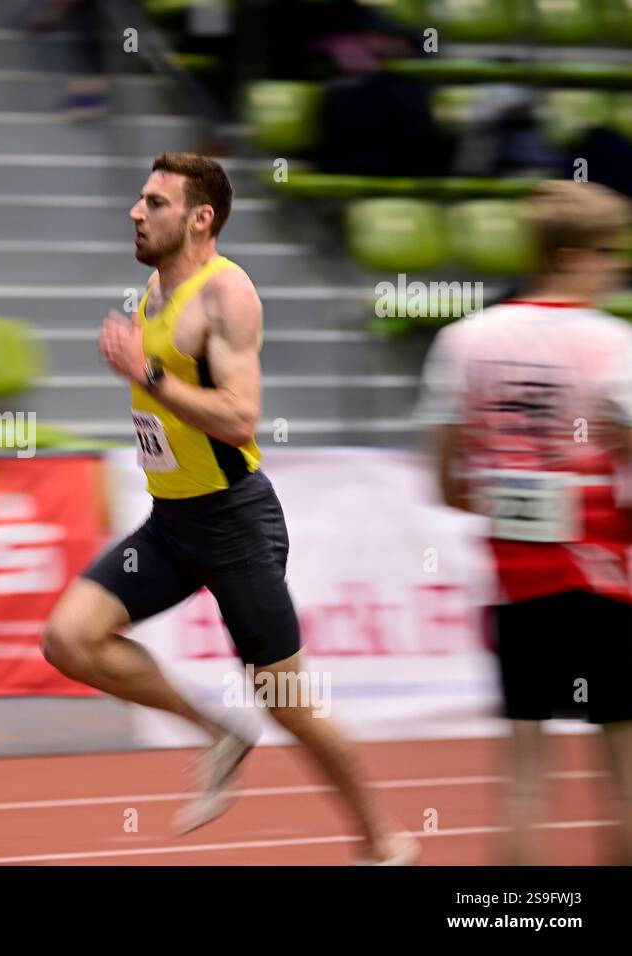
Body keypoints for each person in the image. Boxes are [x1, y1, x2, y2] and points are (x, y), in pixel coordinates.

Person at [42, 152, 414, 864]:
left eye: (154, 202)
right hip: (171, 521)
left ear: (200, 218)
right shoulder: (155, 286)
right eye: (140, 199)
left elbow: (241, 418)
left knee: (288, 702)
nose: (136, 212)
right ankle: (219, 733)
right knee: (68, 639)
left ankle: (382, 838)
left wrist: (144, 373)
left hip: (235, 524)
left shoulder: (227, 294)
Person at [417, 180, 632, 865]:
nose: (617, 267)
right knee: (622, 776)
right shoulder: (616, 344)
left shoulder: (463, 341)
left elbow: (446, 484)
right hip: (608, 583)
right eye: (608, 252)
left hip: (519, 583)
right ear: (570, 255)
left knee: (525, 777)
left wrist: (518, 503)